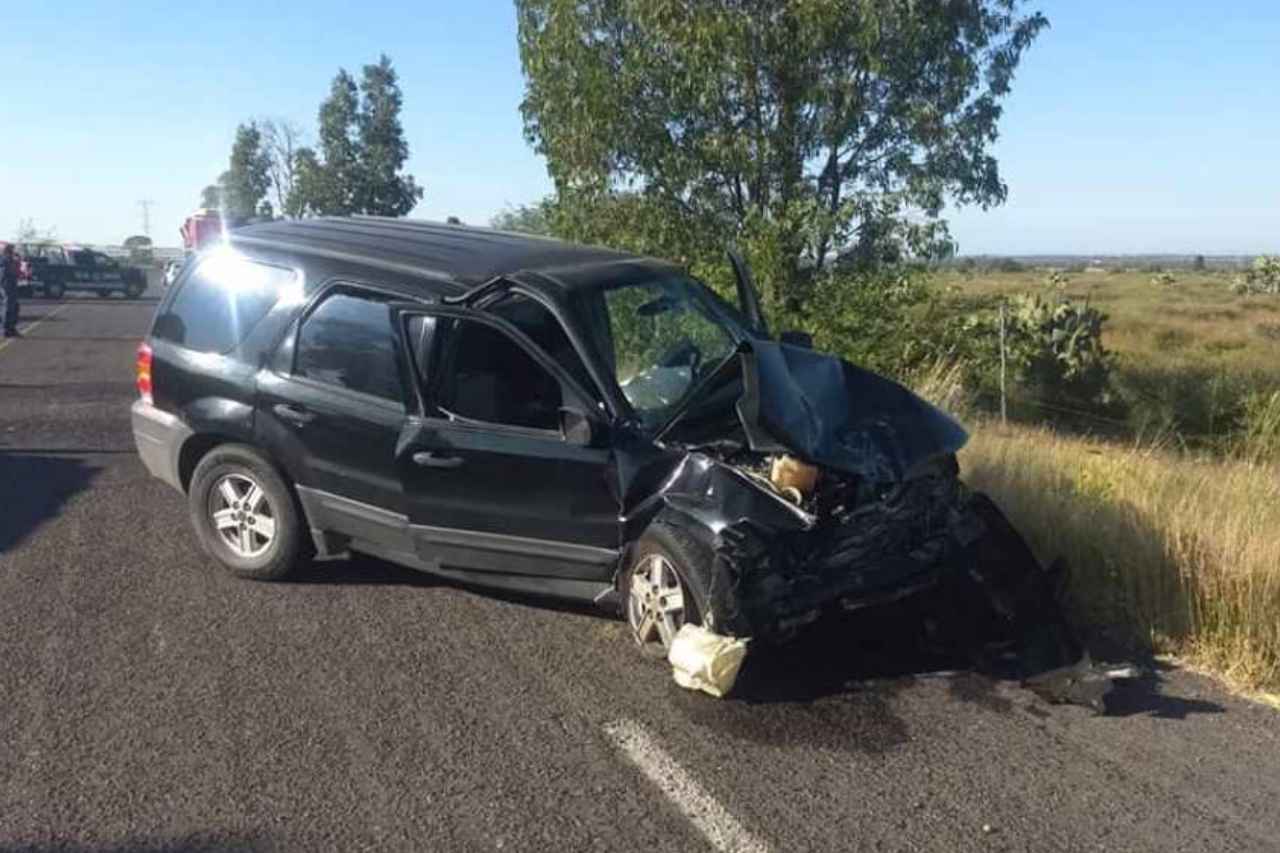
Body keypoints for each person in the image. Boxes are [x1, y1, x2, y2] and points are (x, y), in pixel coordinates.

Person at [1, 243, 20, 337]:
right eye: (12, 249)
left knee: (15, 306)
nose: (14, 251)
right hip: (7, 284)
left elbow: (16, 271)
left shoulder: (11, 259)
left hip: (12, 284)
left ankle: (12, 327)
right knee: (8, 307)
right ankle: (6, 329)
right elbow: (4, 273)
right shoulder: (4, 259)